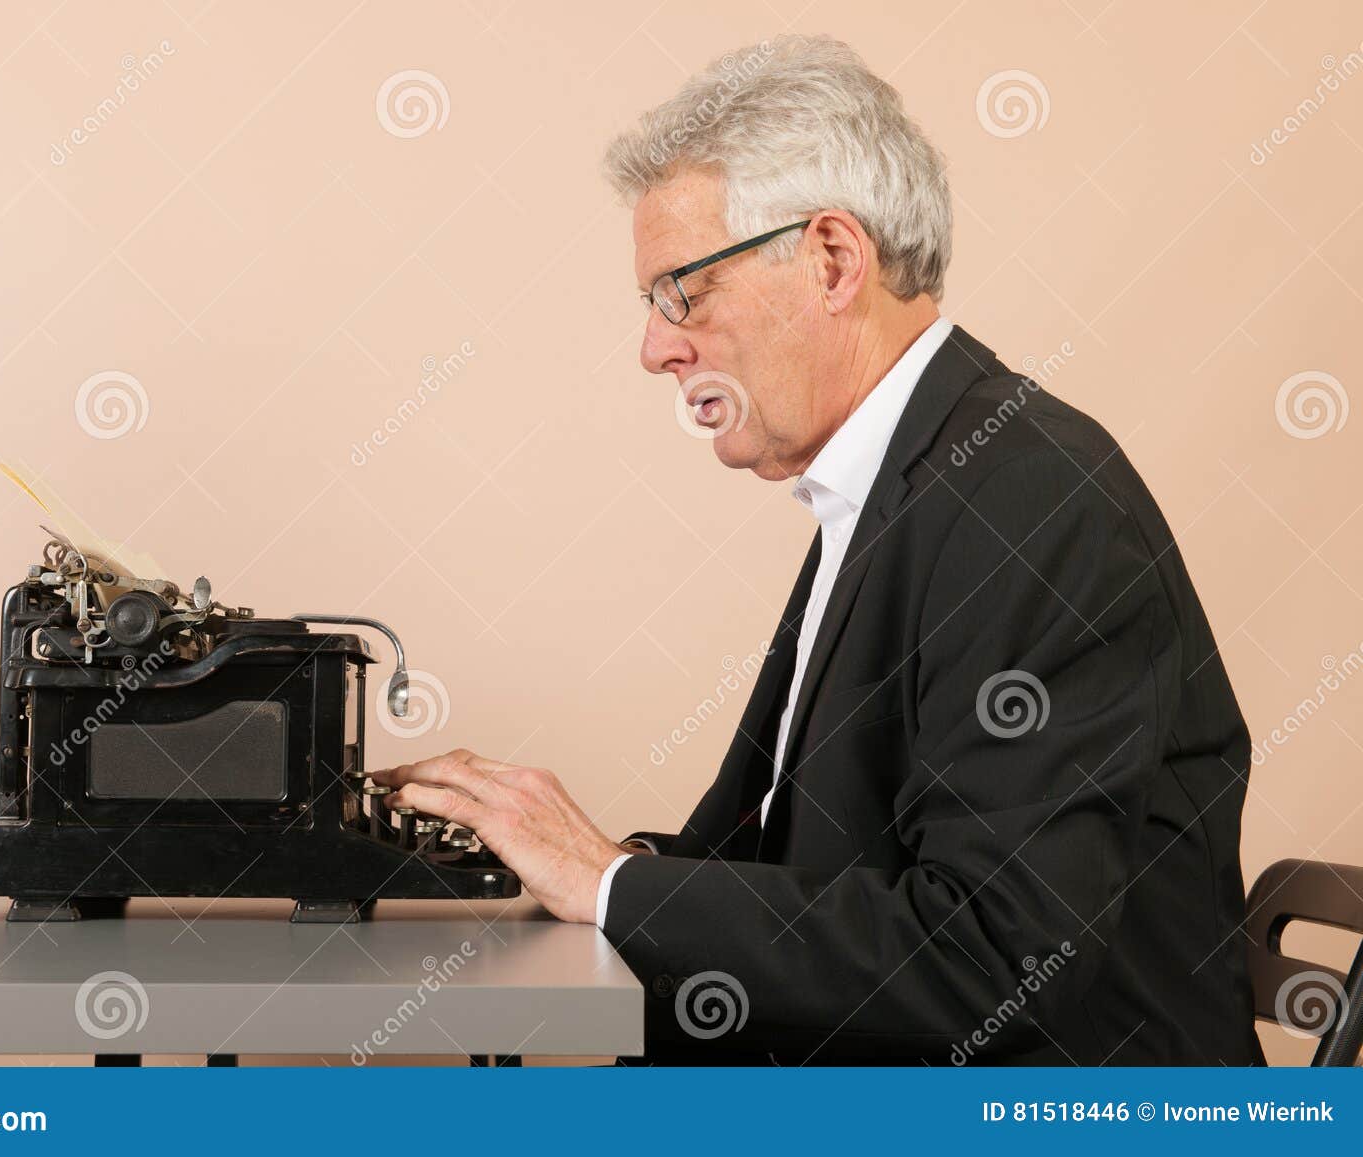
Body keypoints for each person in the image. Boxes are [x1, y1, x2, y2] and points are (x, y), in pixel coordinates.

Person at [371, 34, 1262, 1065]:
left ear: (832, 260)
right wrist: (572, 862)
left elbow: (994, 957)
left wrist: (611, 883)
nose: (656, 346)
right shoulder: (905, 478)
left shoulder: (1028, 497)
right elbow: (801, 860)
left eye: (683, 291)